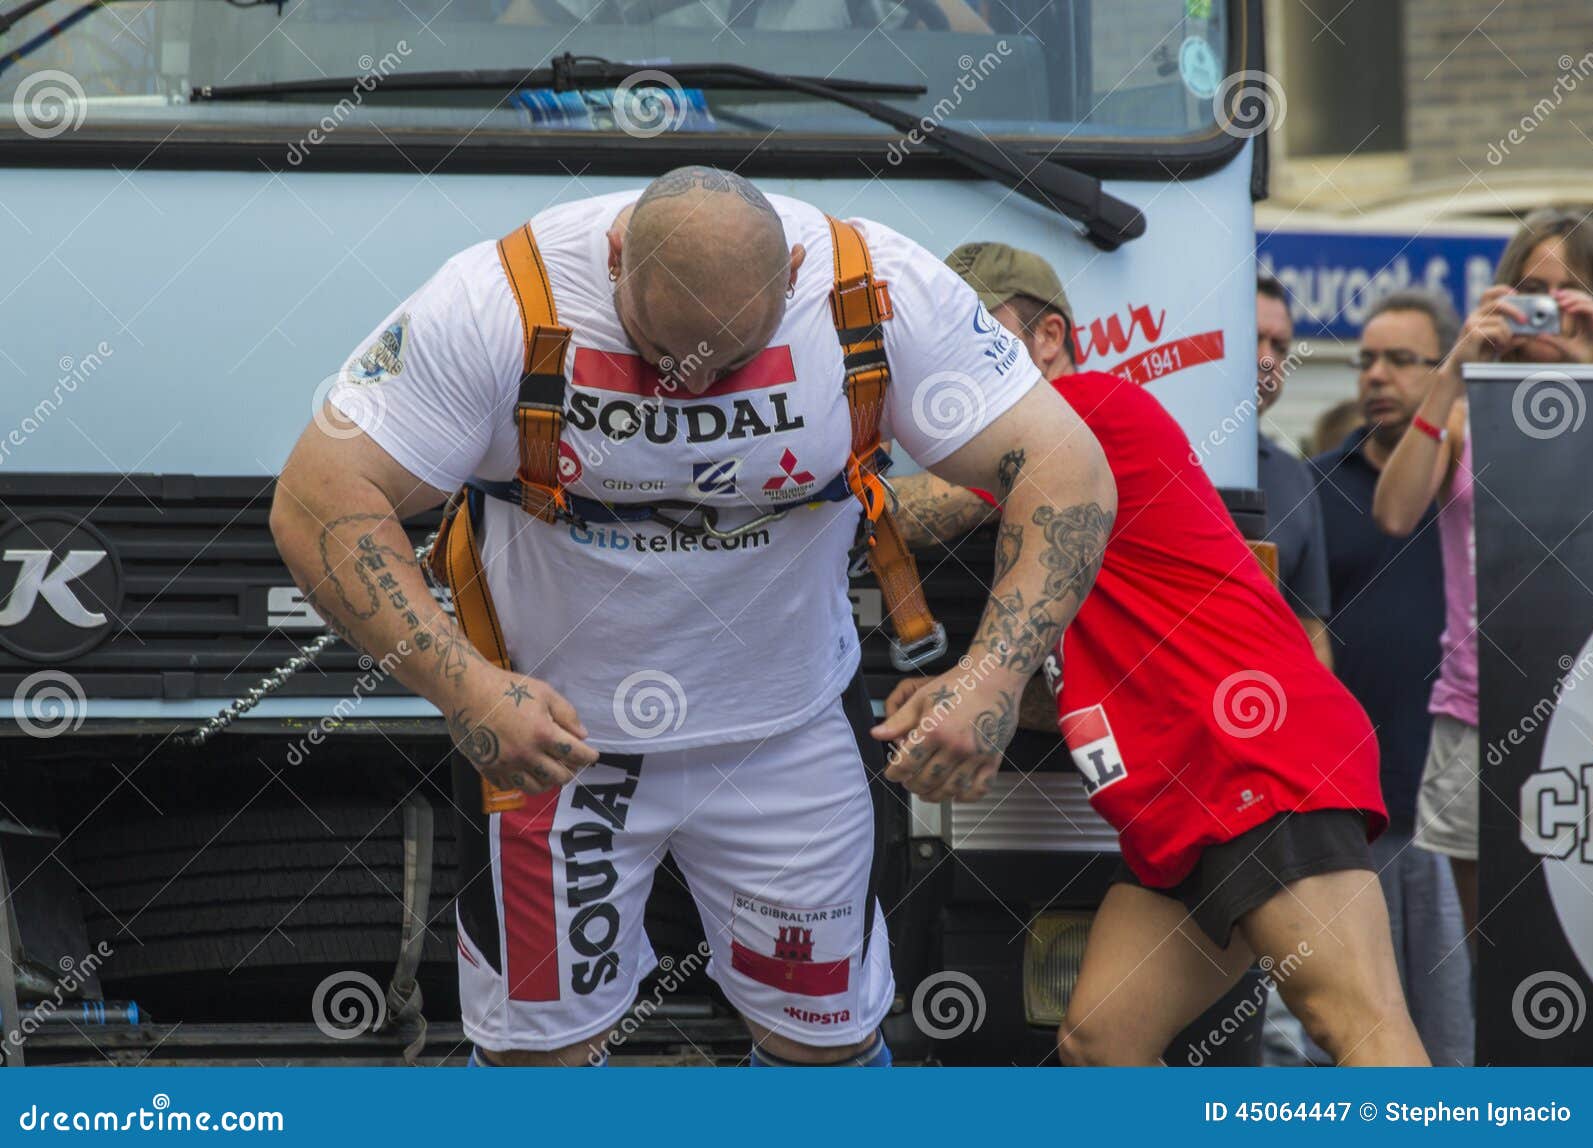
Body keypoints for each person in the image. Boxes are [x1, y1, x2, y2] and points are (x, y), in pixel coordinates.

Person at [270, 168, 1114, 1067]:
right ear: (614, 256)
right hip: (555, 746)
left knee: (824, 1052)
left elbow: (1069, 471)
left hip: (789, 742)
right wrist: (467, 689)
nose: (693, 383)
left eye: (730, 360)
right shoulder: (498, 303)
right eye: (664, 349)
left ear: (794, 272)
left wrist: (993, 674)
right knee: (537, 1065)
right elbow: (320, 500)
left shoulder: (878, 286)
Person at [881, 241, 1428, 1066]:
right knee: (1100, 1038)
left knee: (1357, 1027)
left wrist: (809, 476)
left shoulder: (1086, 406)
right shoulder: (1049, 474)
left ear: (1050, 341)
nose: (949, 371)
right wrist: (954, 690)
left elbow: (908, 515)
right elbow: (1074, 680)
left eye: (973, 339)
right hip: (1180, 798)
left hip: (1252, 760)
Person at [1372, 210, 1593, 942]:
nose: (1550, 307)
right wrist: (1454, 366)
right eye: (1533, 289)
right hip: (1478, 712)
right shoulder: (1470, 412)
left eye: (1573, 291)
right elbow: (1395, 512)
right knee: (1497, 955)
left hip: (1588, 720)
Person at [1309, 290, 1474, 1066]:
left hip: (1451, 808)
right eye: (1365, 359)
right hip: (1349, 814)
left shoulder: (1481, 481)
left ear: (1446, 369)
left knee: (1454, 1032)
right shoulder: (1313, 488)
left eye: (1400, 360)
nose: (1376, 375)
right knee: (1356, 1038)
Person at [1255, 275, 1333, 667]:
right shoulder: (1158, 452)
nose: (1267, 359)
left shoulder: (1294, 478)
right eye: (1252, 339)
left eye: (1280, 347)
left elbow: (1310, 634)